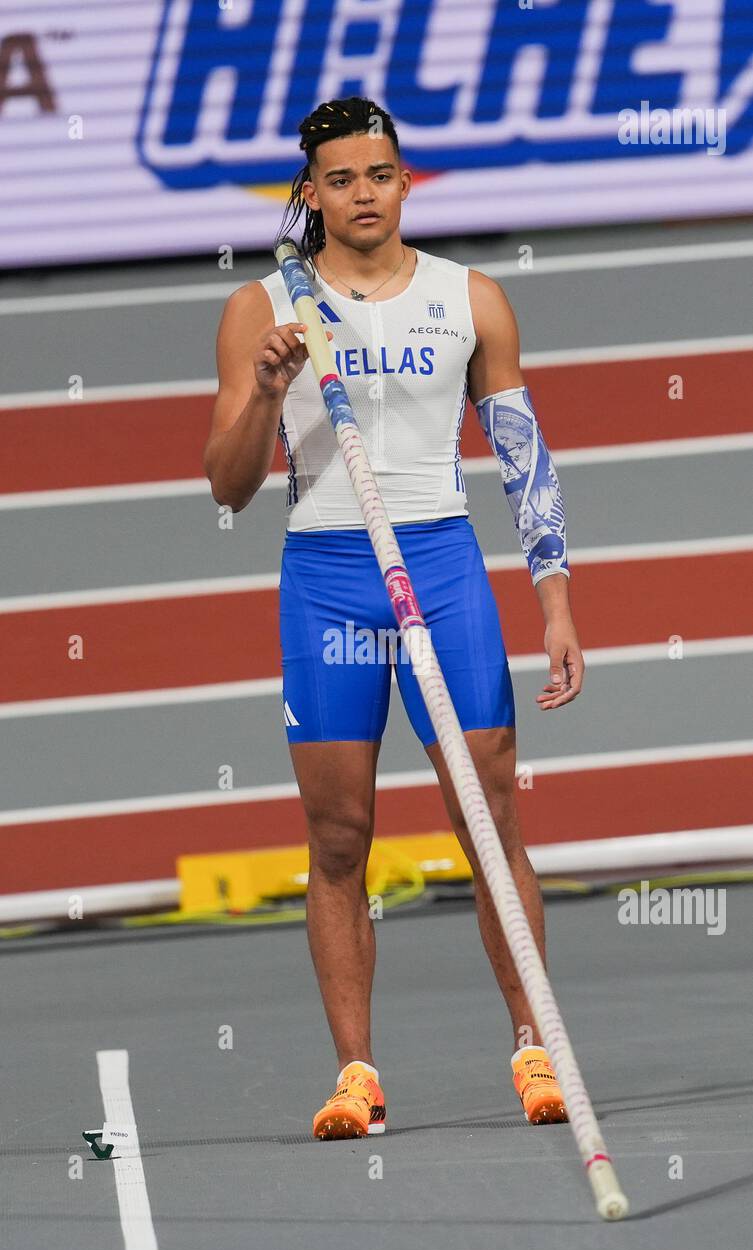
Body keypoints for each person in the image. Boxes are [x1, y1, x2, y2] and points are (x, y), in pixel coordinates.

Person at [203, 97, 584, 1140]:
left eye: (379, 174)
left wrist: (554, 601)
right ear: (311, 192)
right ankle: (356, 1074)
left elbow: (524, 461)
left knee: (489, 818)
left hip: (442, 563)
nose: (362, 194)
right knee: (338, 836)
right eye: (340, 179)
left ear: (404, 180)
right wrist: (263, 394)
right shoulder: (262, 309)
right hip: (330, 573)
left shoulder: (473, 299)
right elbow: (226, 488)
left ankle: (534, 1044)